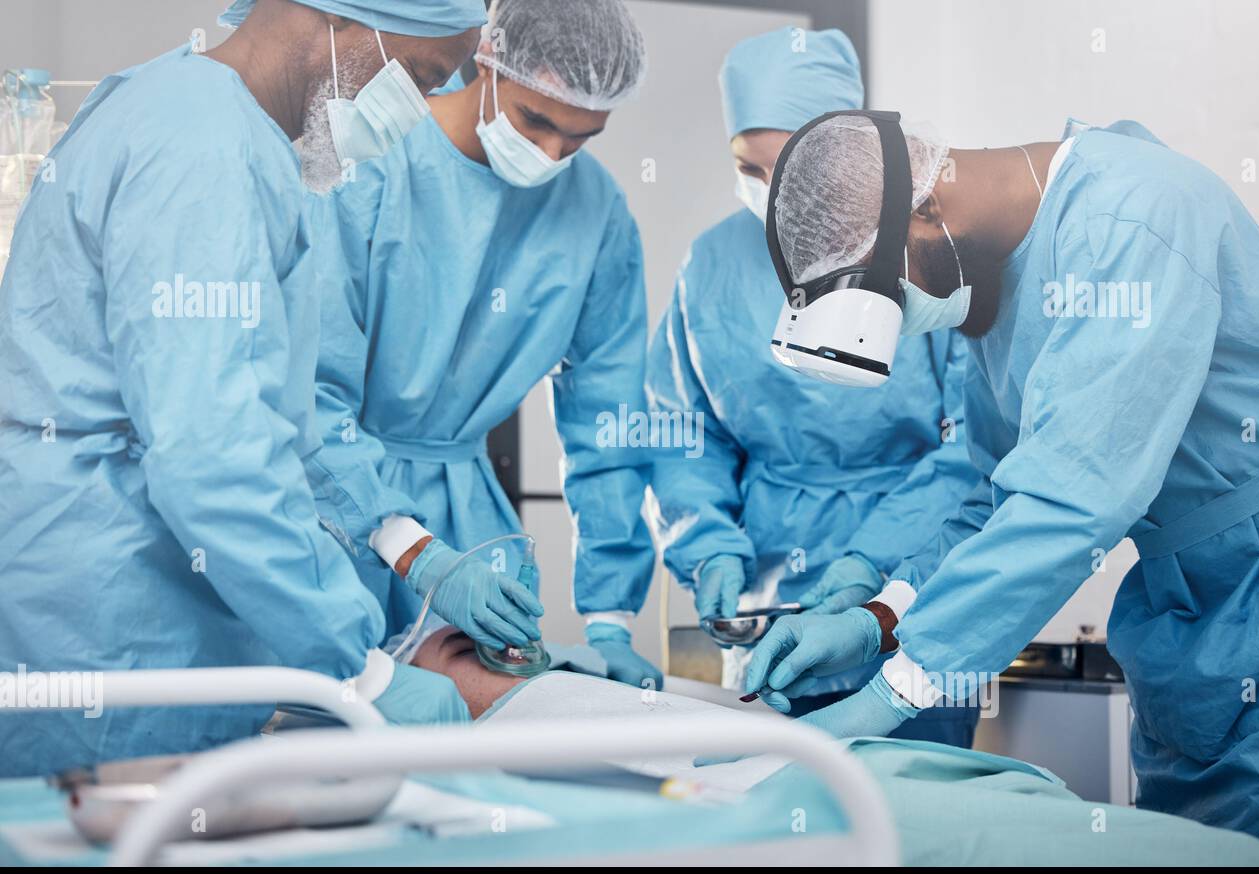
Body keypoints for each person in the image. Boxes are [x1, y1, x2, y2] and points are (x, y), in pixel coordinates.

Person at [744, 112, 1259, 845]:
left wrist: (896, 690)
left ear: (928, 208)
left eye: (902, 302)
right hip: (1186, 615)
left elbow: (1073, 499)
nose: (917, 323)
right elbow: (993, 493)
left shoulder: (1134, 219)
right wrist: (877, 617)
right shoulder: (1001, 286)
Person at [0, 0, 487, 777]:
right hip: (111, 626)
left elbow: (272, 422)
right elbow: (210, 451)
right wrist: (357, 671)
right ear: (342, 20)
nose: (418, 114)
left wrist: (405, 545)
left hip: (126, 605)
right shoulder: (204, 149)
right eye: (423, 78)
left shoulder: (204, 119)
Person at [309, 0, 662, 689]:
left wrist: (611, 618)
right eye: (536, 120)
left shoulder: (596, 213)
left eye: (580, 138)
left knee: (486, 743)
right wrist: (409, 548)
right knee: (326, 728)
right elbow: (307, 393)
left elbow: (607, 420)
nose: (551, 155)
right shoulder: (373, 165)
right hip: (330, 508)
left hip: (469, 524)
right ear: (487, 60)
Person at [646, 28, 980, 744]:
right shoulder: (710, 265)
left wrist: (874, 561)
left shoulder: (919, 251)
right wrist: (708, 546)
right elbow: (686, 433)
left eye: (793, 164)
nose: (773, 194)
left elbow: (971, 448)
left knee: (911, 823)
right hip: (769, 603)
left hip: (915, 593)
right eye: (749, 167)